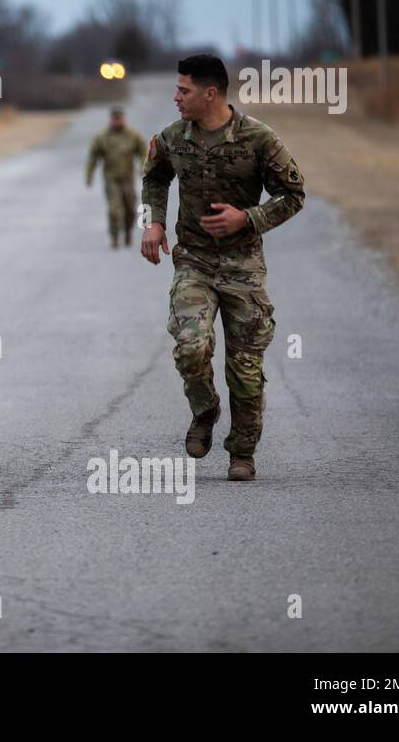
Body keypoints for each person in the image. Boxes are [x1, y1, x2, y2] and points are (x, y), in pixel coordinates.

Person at [140, 55, 305, 481]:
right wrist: (153, 222)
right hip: (193, 261)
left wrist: (247, 218)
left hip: (242, 265)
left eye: (184, 90)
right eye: (177, 89)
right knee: (190, 347)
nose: (176, 97)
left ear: (210, 93)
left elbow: (293, 195)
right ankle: (205, 410)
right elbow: (154, 177)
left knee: (245, 368)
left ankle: (243, 452)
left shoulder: (258, 139)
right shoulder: (172, 138)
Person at [86, 106, 146, 248]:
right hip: (111, 179)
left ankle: (128, 232)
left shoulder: (133, 136)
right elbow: (93, 157)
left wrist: (143, 167)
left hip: (128, 178)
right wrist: (89, 175)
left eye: (119, 118)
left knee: (130, 208)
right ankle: (114, 236)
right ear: (111, 119)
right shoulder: (102, 137)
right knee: (114, 209)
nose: (117, 121)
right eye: (115, 119)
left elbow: (143, 152)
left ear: (124, 119)